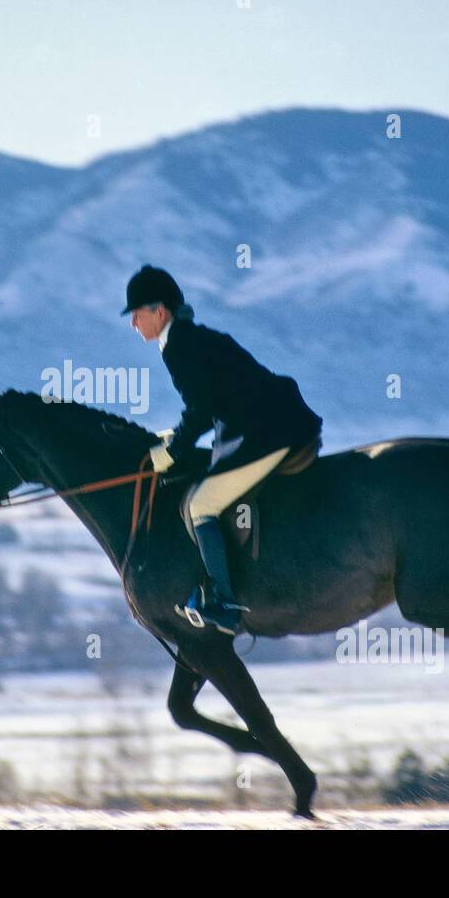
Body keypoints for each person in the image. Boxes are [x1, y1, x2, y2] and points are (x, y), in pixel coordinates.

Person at [123, 265, 323, 635]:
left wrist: (171, 452)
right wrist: (175, 435)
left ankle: (225, 602)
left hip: (267, 433)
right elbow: (210, 404)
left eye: (137, 314)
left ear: (160, 312)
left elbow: (199, 413)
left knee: (201, 505)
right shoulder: (189, 338)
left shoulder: (180, 347)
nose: (134, 323)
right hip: (266, 423)